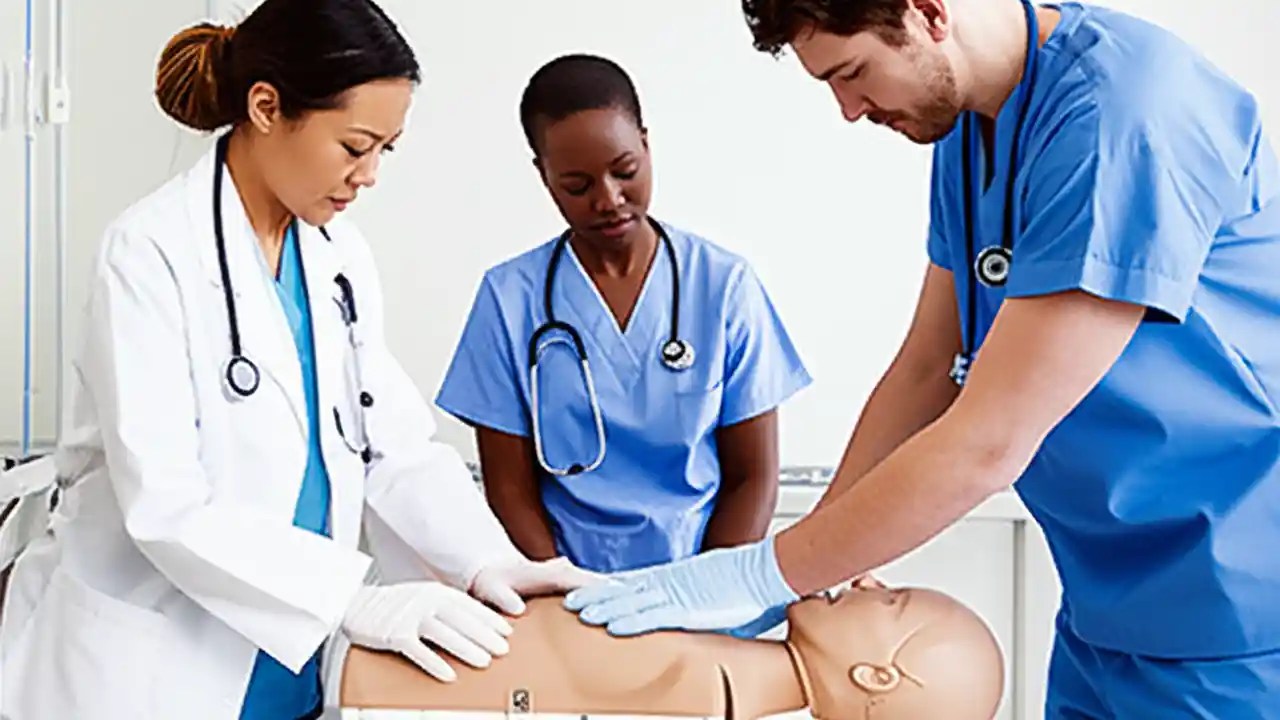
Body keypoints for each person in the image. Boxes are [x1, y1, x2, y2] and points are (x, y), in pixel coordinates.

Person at [564, 0, 1280, 716]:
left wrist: (766, 573)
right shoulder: (971, 124)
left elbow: (989, 441)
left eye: (852, 73)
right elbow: (926, 368)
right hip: (1108, 603)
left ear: (929, 12)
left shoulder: (1125, 113)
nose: (848, 109)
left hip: (1234, 609)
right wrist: (809, 572)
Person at [0, 2, 594, 718]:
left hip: (290, 662)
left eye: (386, 150)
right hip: (154, 666)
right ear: (265, 107)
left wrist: (487, 560)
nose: (369, 174)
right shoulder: (150, 253)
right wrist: (352, 597)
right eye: (354, 146)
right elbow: (165, 504)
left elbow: (396, 448)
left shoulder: (338, 256)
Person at [435, 54, 812, 575]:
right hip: (563, 584)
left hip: (703, 576)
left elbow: (754, 478)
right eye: (577, 186)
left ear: (647, 146)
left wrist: (703, 596)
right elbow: (509, 488)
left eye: (625, 171)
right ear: (543, 176)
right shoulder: (508, 298)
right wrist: (565, 591)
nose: (609, 200)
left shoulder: (724, 286)